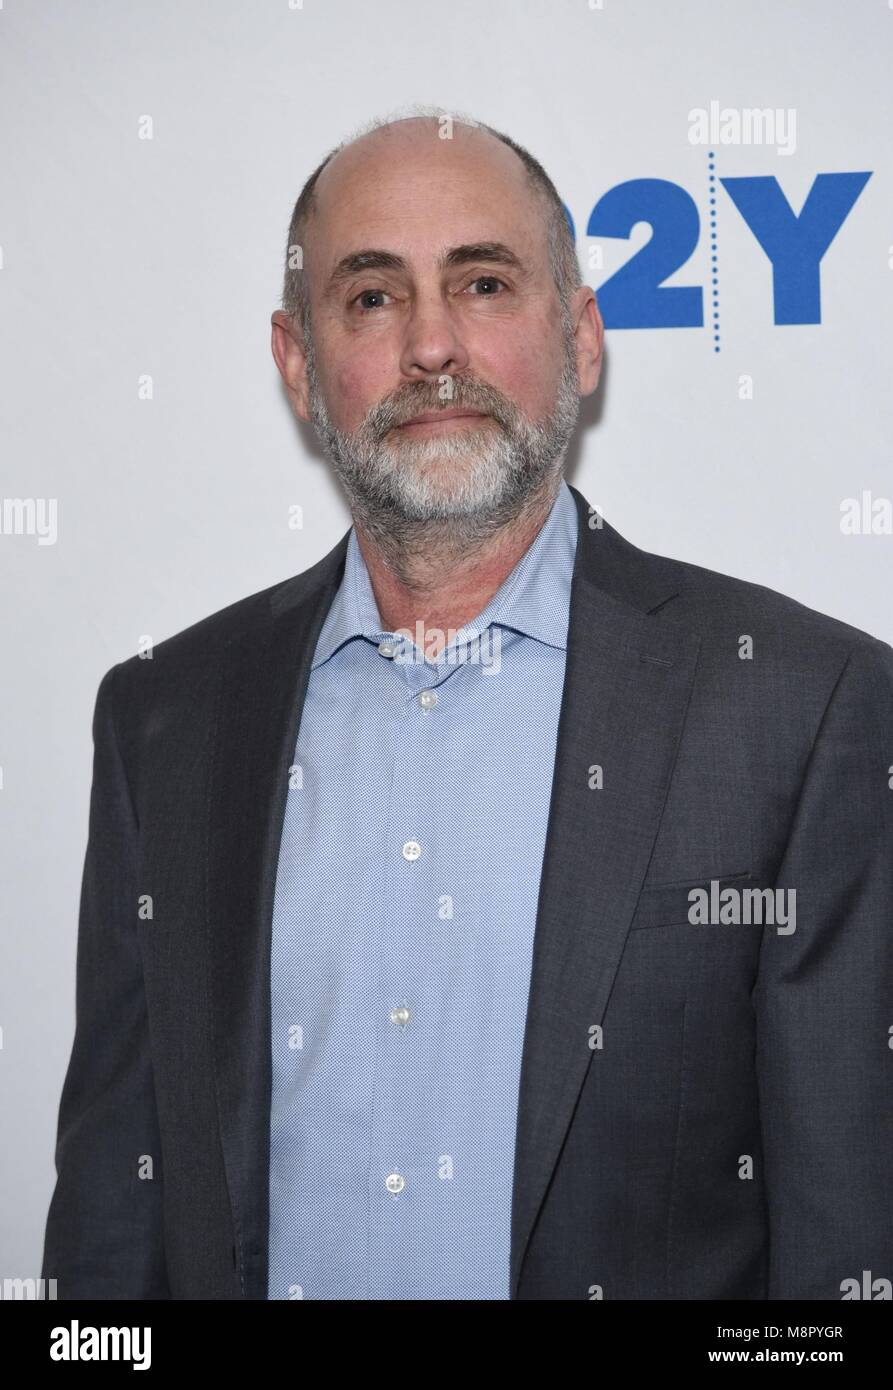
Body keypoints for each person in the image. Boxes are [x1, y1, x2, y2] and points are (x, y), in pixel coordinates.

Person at [42, 110, 893, 1300]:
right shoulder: (163, 723)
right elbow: (110, 1236)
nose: (431, 346)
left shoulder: (797, 707)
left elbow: (842, 1244)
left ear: (582, 340)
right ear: (297, 366)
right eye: (372, 298)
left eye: (483, 283)